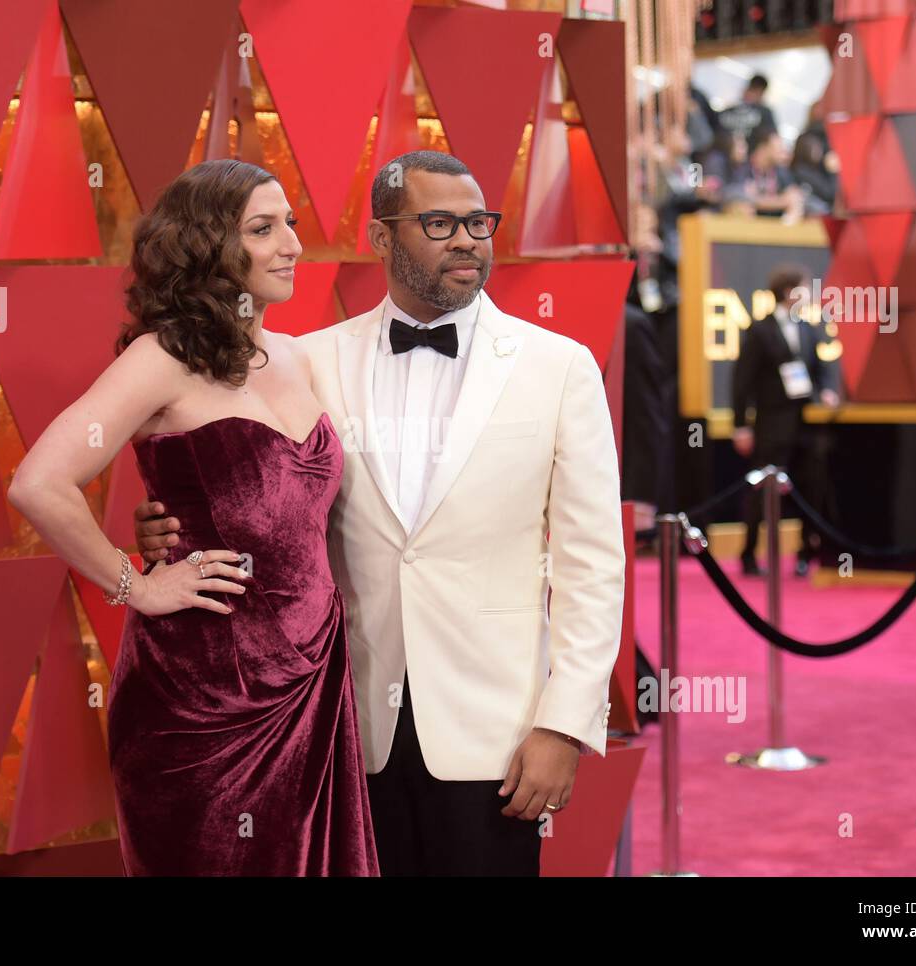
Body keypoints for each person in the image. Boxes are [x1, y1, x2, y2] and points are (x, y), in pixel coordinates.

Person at [136, 150, 625, 876]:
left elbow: (594, 567)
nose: (468, 240)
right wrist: (169, 532)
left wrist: (565, 726)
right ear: (383, 238)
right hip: (339, 728)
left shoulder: (559, 367)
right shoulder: (307, 362)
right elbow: (259, 498)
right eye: (439, 222)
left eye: (478, 222)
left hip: (496, 734)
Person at [7, 159, 379, 876]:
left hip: (313, 684)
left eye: (291, 225)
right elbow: (39, 482)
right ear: (209, 245)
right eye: (263, 229)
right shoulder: (162, 358)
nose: (292, 245)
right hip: (201, 704)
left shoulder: (295, 357)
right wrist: (136, 585)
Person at [732, 264, 839, 577]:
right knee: (761, 491)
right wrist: (741, 424)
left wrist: (828, 391)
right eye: (804, 288)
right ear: (789, 291)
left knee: (809, 487)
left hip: (805, 423)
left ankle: (806, 553)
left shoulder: (808, 328)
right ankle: (749, 554)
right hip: (770, 423)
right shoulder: (759, 330)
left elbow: (820, 368)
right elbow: (743, 382)